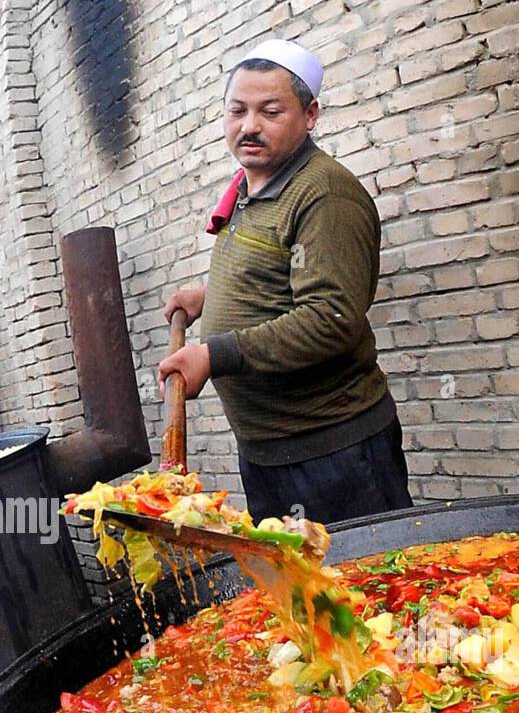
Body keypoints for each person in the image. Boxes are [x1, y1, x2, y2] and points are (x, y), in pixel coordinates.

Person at [159, 37, 412, 525]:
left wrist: (214, 353)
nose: (248, 127)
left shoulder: (325, 195)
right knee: (294, 591)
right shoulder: (250, 183)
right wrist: (209, 299)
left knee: (364, 589)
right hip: (268, 450)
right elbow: (283, 273)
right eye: (237, 111)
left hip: (333, 452)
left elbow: (330, 319)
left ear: (310, 114)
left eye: (270, 112)